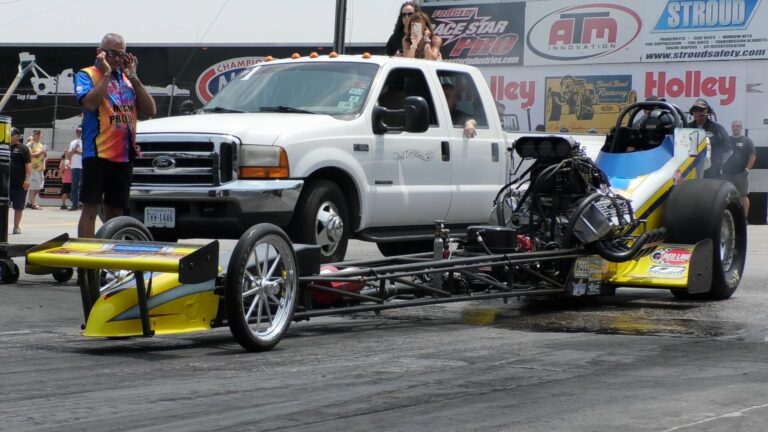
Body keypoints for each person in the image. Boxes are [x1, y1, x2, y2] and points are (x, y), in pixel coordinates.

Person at [74, 33, 157, 237]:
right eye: (112, 54)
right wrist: (106, 73)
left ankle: (109, 254)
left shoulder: (128, 79)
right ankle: (86, 256)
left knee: (116, 212)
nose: (117, 59)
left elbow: (150, 110)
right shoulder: (87, 74)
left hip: (124, 155)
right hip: (97, 153)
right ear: (100, 52)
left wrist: (134, 77)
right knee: (91, 209)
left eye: (122, 55)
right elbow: (90, 103)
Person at [722, 120, 756, 216]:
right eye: (734, 126)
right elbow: (720, 154)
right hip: (726, 174)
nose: (735, 128)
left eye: (737, 126)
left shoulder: (747, 140)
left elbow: (752, 156)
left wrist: (747, 170)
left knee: (743, 196)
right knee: (724, 196)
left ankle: (744, 218)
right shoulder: (727, 140)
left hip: (741, 174)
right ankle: (727, 217)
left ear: (741, 128)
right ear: (731, 128)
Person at [689, 99, 730, 179]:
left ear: (708, 111)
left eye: (701, 110)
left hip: (712, 171)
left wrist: (718, 163)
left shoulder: (717, 128)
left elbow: (728, 149)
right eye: (695, 109)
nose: (698, 112)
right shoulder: (687, 128)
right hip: (691, 170)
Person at [9, 127, 31, 234]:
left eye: (11, 135)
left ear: (17, 137)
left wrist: (27, 180)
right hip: (4, 183)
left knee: (18, 206)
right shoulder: (3, 147)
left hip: (19, 183)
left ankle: (16, 227)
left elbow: (28, 165)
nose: (9, 137)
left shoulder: (23, 148)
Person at [25, 129, 46, 210]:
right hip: (33, 168)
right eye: (36, 135)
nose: (38, 136)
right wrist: (40, 153)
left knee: (38, 186)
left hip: (40, 168)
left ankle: (30, 202)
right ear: (33, 135)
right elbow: (29, 155)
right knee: (35, 187)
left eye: (39, 135)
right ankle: (33, 204)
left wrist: (44, 153)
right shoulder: (29, 144)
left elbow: (42, 155)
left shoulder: (40, 144)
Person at [67, 126, 83, 210]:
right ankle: (75, 204)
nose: (78, 133)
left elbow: (85, 153)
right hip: (74, 167)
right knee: (74, 187)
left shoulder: (85, 141)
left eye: (80, 131)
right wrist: (75, 150)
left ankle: (82, 204)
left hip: (83, 167)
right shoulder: (72, 142)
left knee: (83, 186)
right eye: (77, 131)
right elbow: (68, 156)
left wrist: (76, 151)